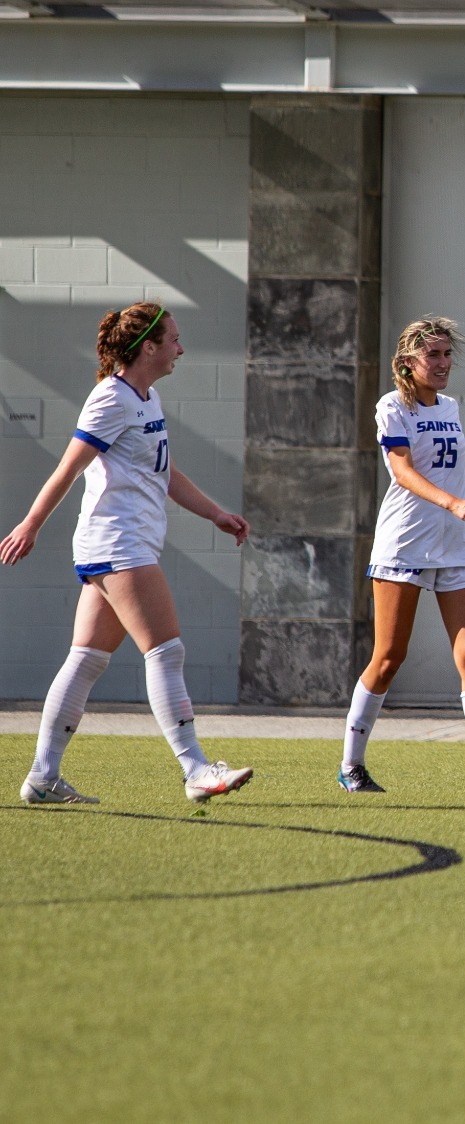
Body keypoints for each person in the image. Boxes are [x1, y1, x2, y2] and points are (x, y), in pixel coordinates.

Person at [4, 302, 253, 805]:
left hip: (118, 544)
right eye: (174, 340)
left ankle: (42, 777)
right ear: (148, 348)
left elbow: (164, 473)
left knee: (86, 659)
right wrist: (30, 523)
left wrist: (215, 513)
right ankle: (195, 768)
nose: (181, 348)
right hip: (118, 542)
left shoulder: (147, 397)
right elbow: (68, 469)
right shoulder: (110, 400)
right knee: (166, 649)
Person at [333, 317, 465, 796]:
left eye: (447, 355)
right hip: (406, 541)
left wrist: (458, 510)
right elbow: (401, 471)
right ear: (407, 363)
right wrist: (454, 503)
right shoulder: (392, 407)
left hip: (457, 546)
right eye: (433, 356)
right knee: (388, 658)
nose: (443, 364)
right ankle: (351, 765)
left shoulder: (450, 406)